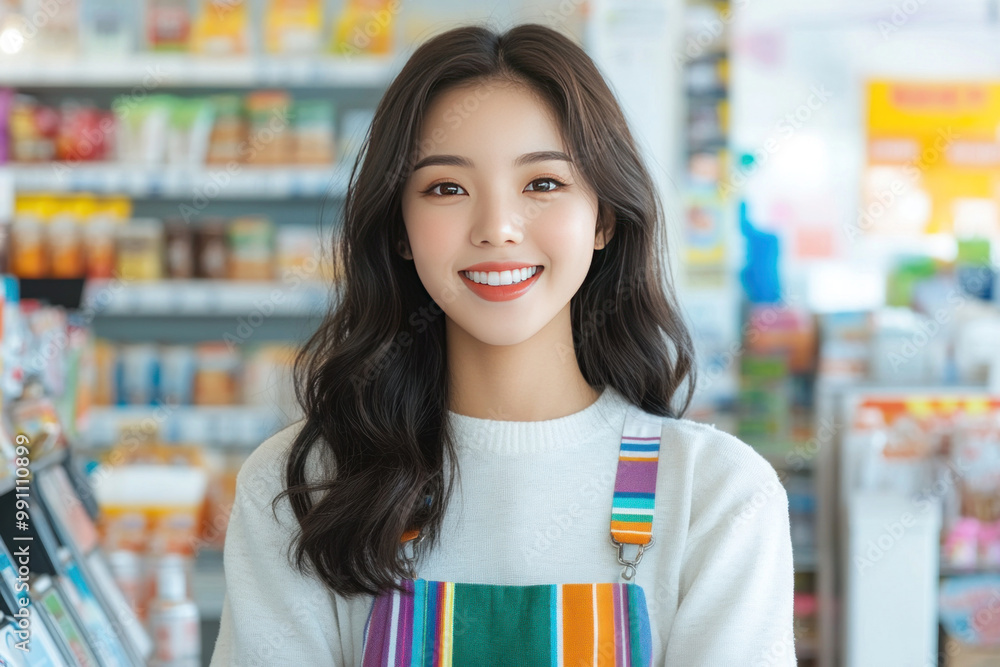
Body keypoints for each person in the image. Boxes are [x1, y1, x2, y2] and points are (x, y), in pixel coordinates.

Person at [210, 21, 796, 667]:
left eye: (543, 183)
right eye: (446, 188)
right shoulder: (305, 486)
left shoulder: (715, 494)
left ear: (602, 216)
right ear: (400, 229)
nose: (497, 228)